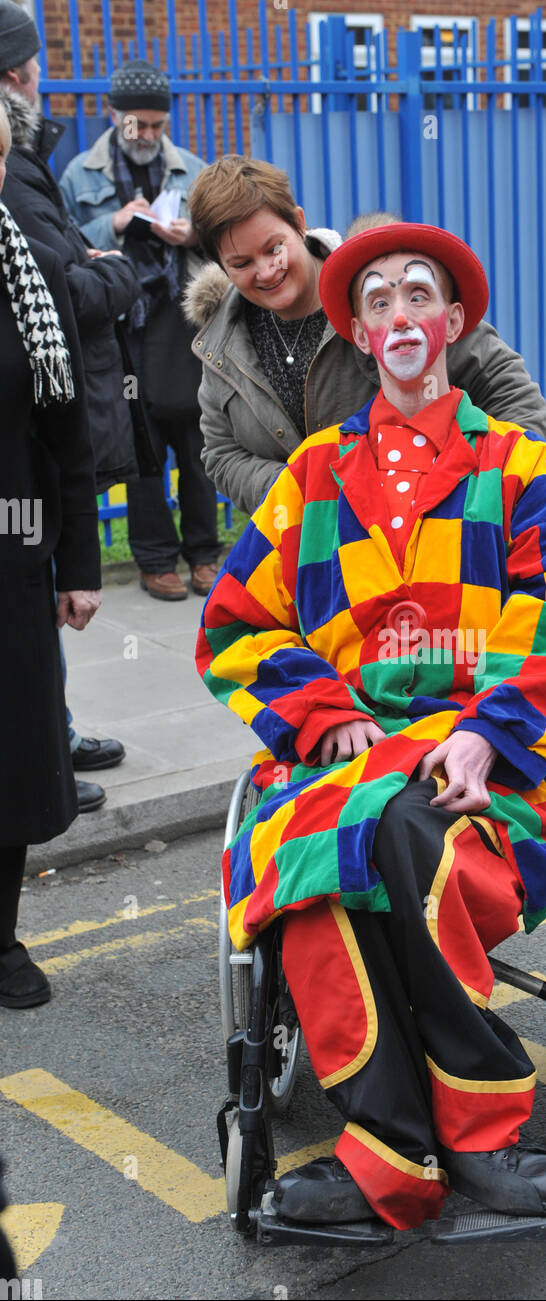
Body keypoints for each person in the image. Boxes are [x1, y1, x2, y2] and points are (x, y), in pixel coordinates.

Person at [196, 221, 546, 1230]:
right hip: (348, 757)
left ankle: (412, 1145)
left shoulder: (515, 463)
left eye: (418, 296)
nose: (399, 316)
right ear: (361, 336)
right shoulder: (313, 476)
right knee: (325, 851)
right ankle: (440, 1141)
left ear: (455, 323)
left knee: (384, 835)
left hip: (493, 773)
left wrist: (486, 732)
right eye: (376, 303)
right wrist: (323, 707)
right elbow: (231, 626)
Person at [183, 156, 546, 518]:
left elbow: (508, 390)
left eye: (273, 248)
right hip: (303, 558)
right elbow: (222, 455)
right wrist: (307, 495)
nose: (266, 271)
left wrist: (495, 492)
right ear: (220, 264)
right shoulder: (221, 343)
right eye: (241, 263)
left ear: (298, 222)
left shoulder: (383, 294)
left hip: (423, 551)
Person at [0, 0, 135, 810]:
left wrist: (75, 566)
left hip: (16, 510)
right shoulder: (25, 177)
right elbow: (79, 277)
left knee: (28, 617)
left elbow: (58, 429)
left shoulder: (20, 235)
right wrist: (111, 271)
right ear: (19, 72)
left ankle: (48, 737)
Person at [0, 106, 102, 1009]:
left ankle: (1, 943)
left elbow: (65, 431)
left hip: (11, 552)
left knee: (14, 756)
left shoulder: (30, 273)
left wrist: (76, 563)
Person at [60, 59, 219, 602]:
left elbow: (224, 240)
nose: (148, 135)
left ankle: (204, 554)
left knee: (198, 442)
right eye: (137, 125)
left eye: (156, 125)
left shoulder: (194, 169)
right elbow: (64, 248)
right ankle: (154, 559)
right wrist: (116, 224)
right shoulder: (81, 173)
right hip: (122, 329)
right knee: (141, 446)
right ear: (115, 116)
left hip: (183, 325)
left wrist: (192, 235)